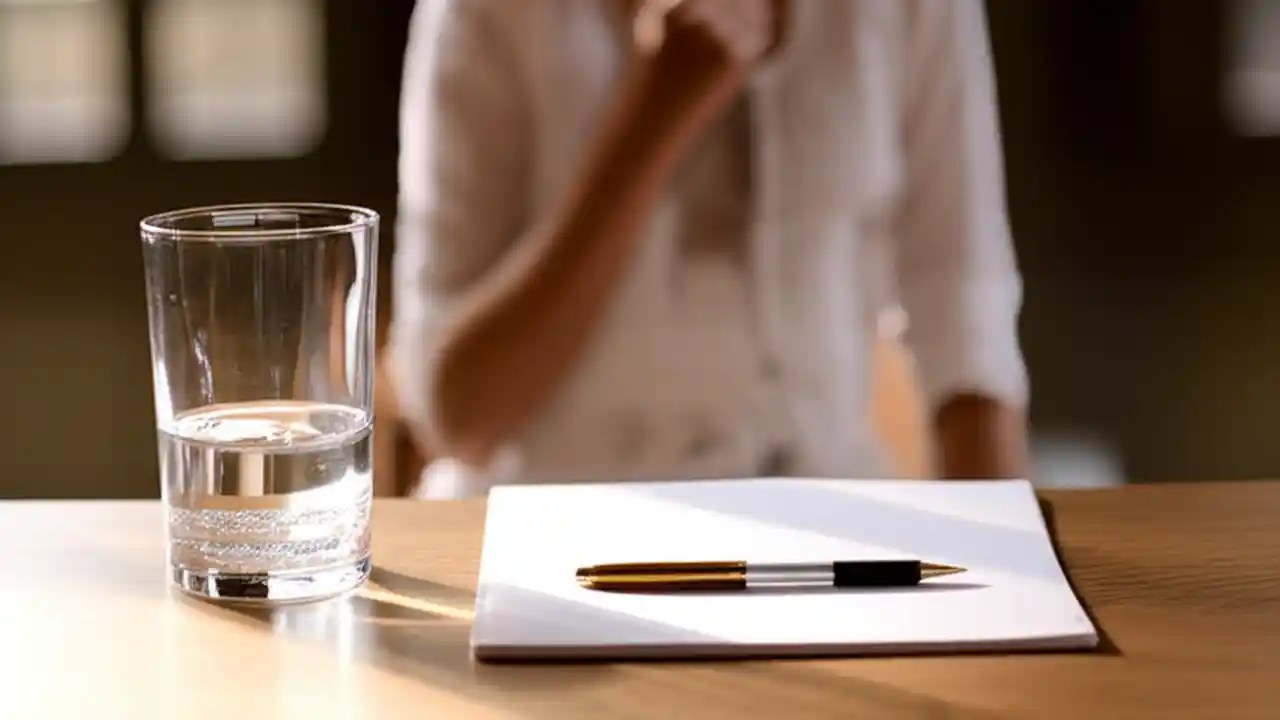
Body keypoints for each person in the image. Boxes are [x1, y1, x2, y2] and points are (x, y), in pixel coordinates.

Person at [390, 0, 1029, 498]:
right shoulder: (484, 16)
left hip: (832, 519)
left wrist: (1011, 589)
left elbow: (963, 304)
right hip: (549, 527)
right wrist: (652, 120)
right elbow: (459, 414)